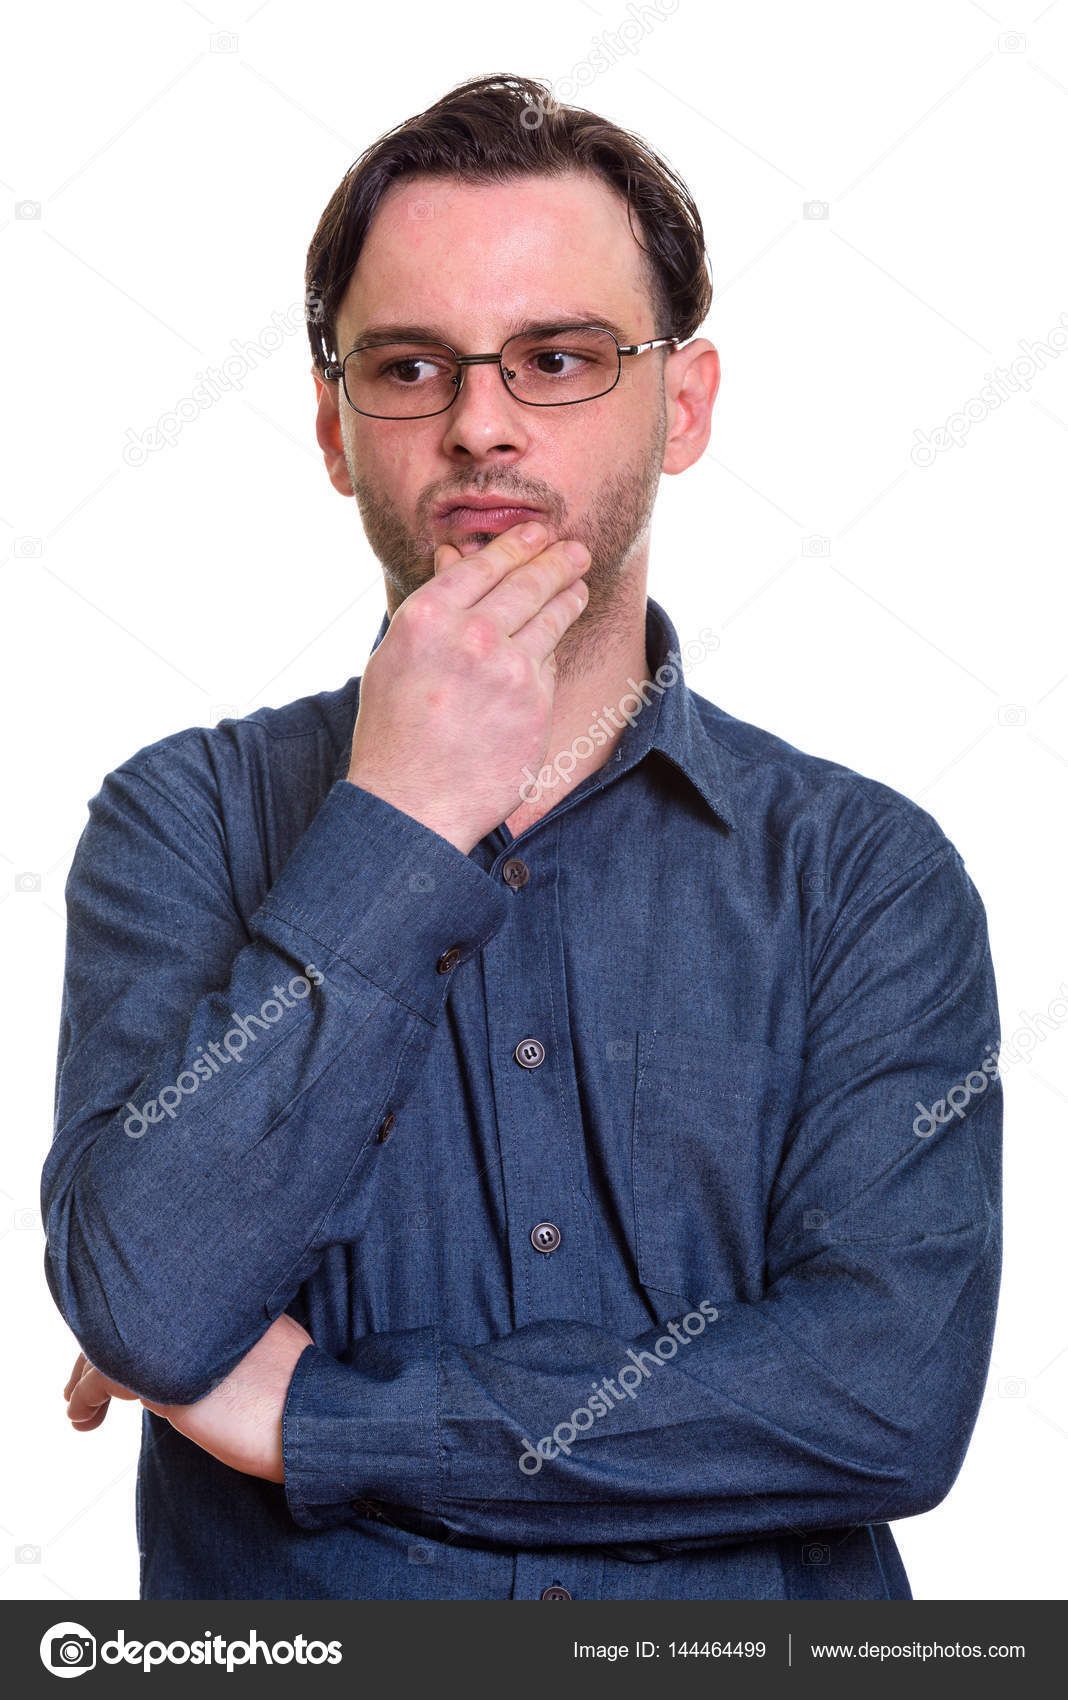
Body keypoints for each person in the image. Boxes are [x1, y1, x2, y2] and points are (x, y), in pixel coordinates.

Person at [44, 72, 1002, 1602]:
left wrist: (322, 1425)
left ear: (679, 406)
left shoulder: (863, 875)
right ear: (334, 426)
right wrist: (404, 821)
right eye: (411, 366)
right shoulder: (186, 822)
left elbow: (883, 1403)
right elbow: (152, 1305)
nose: (480, 421)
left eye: (557, 359)